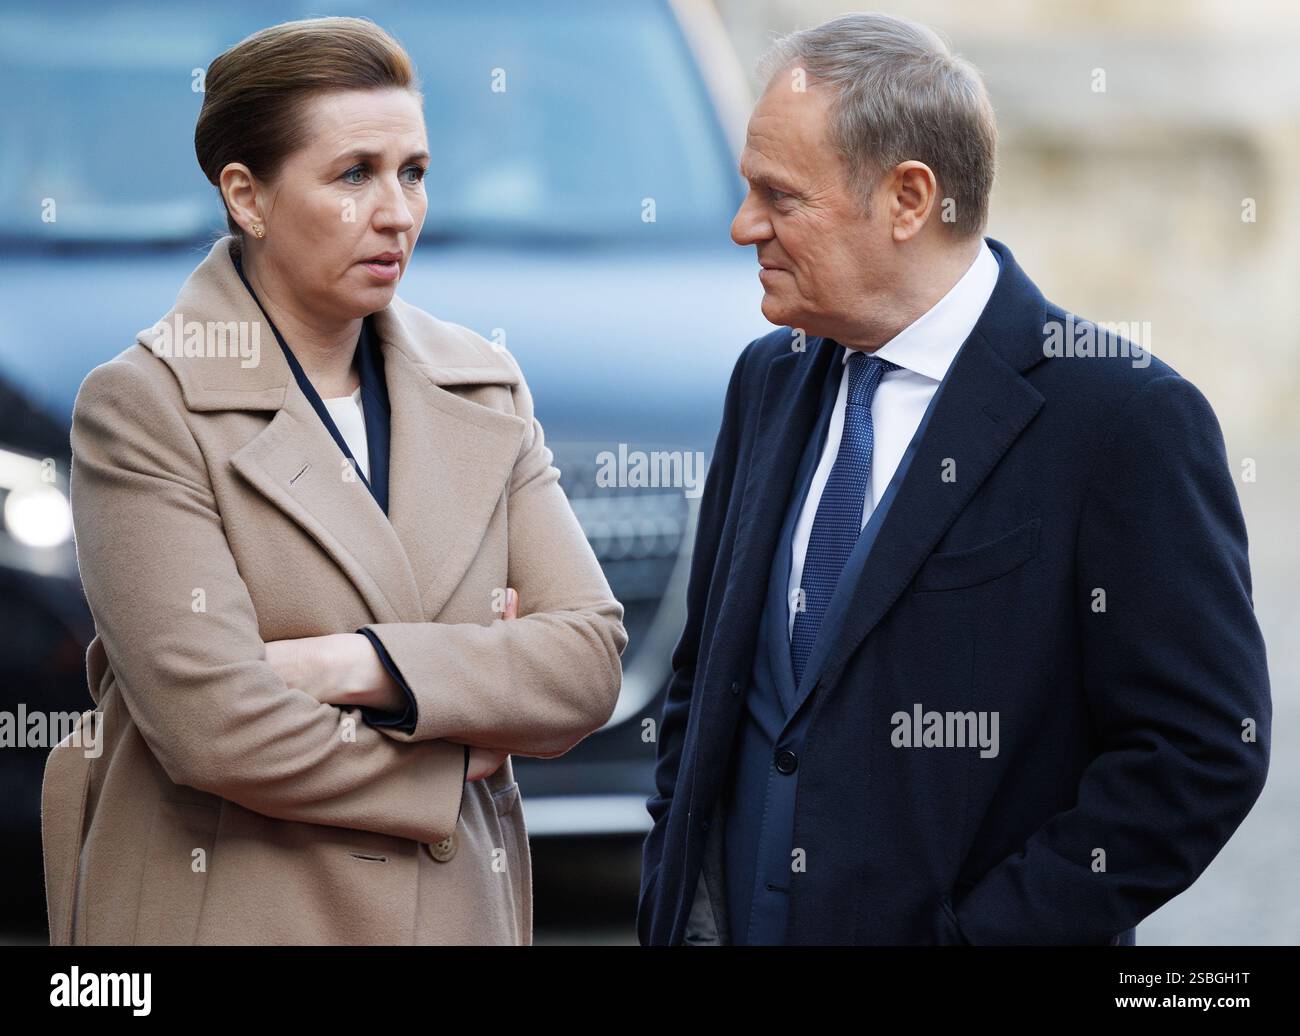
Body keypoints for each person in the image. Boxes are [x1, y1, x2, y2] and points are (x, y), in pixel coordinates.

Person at [637, 12, 1270, 945]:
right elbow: (708, 681)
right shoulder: (766, 380)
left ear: (908, 199)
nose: (744, 227)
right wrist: (677, 893)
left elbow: (1202, 754)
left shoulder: (1122, 420)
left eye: (780, 196)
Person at [42, 15, 626, 945]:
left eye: (414, 172)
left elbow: (586, 664)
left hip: (454, 914)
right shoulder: (143, 406)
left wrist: (348, 663)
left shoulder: (482, 381)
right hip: (242, 913)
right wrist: (463, 733)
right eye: (354, 174)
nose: (397, 211)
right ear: (247, 196)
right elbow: (215, 727)